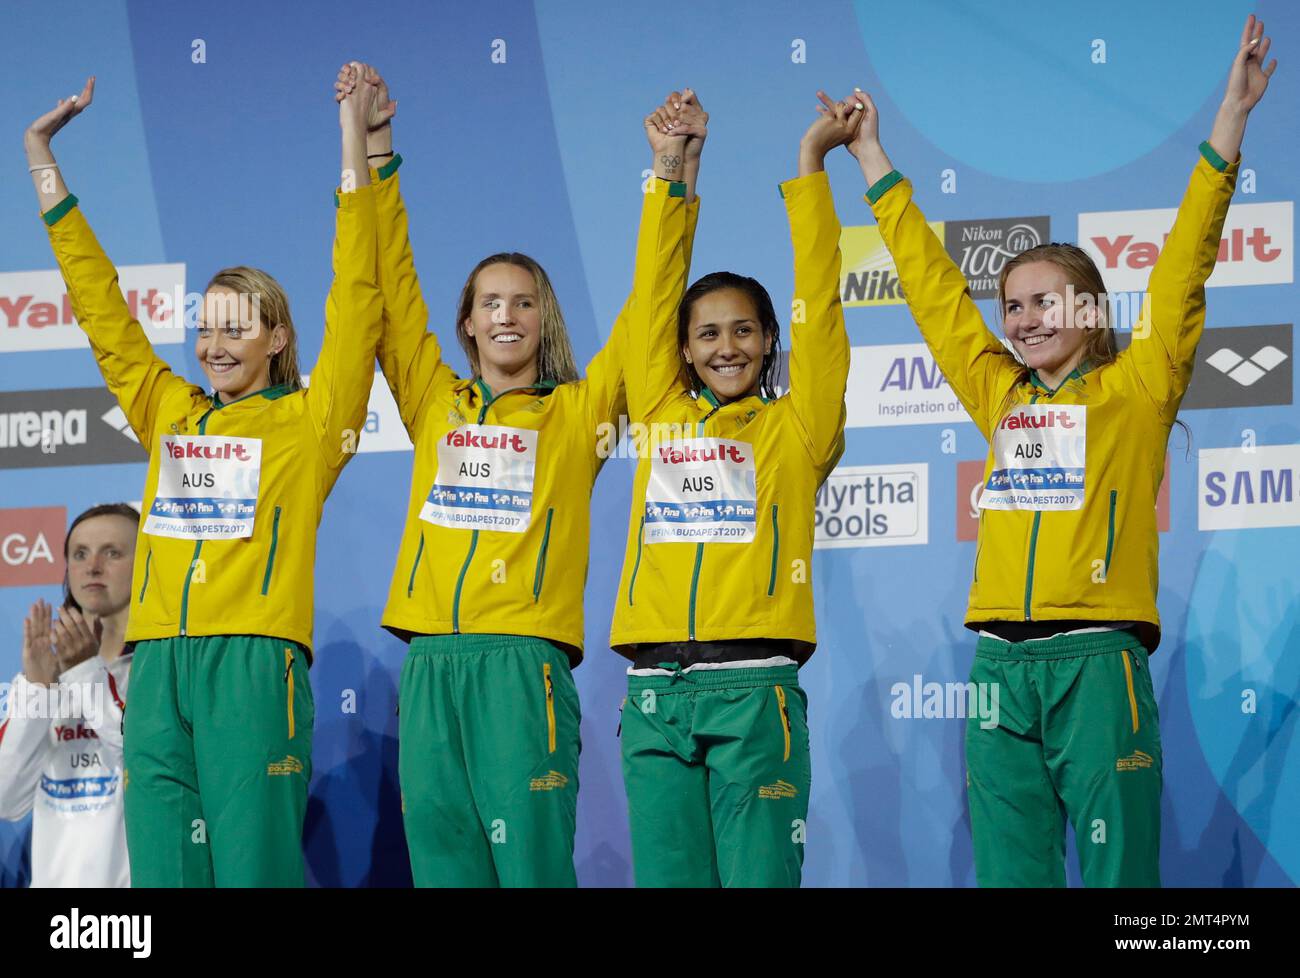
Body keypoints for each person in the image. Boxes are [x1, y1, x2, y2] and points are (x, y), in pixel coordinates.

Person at [849, 15, 1277, 886]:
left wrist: (1229, 122)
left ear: (1091, 309)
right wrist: (871, 162)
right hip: (999, 670)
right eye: (1013, 305)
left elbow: (1186, 265)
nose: (1025, 318)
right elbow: (934, 298)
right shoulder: (999, 396)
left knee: (1125, 890)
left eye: (1047, 300)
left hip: (1097, 661)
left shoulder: (1139, 388)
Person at [332, 66, 703, 887]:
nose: (507, 315)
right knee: (445, 872)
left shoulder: (580, 413)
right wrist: (380, 148)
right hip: (430, 669)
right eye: (491, 302)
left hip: (521, 667)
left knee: (531, 873)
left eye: (524, 302)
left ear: (545, 319)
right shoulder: (433, 400)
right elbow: (391, 288)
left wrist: (670, 178)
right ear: (466, 322)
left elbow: (651, 307)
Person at [23, 66, 385, 886]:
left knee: (253, 875)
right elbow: (101, 309)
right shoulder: (168, 408)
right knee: (164, 878)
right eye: (206, 327)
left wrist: (351, 144)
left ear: (278, 338)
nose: (215, 344)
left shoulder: (311, 422)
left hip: (253, 667)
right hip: (157, 669)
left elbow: (360, 298)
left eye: (238, 327)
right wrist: (43, 161)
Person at [612, 90, 855, 887]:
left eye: (744, 330)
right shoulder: (654, 411)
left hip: (754, 692)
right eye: (708, 333)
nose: (727, 347)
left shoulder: (799, 427)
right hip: (654, 696)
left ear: (769, 341)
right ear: (682, 350)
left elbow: (822, 311)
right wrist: (673, 169)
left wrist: (811, 170)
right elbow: (653, 294)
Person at [0, 504, 138, 887]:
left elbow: (147, 768)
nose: (92, 566)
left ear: (146, 565)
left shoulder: (163, 672)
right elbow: (6, 801)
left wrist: (83, 673)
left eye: (112, 552)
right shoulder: (42, 683)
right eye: (80, 554)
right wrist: (40, 688)